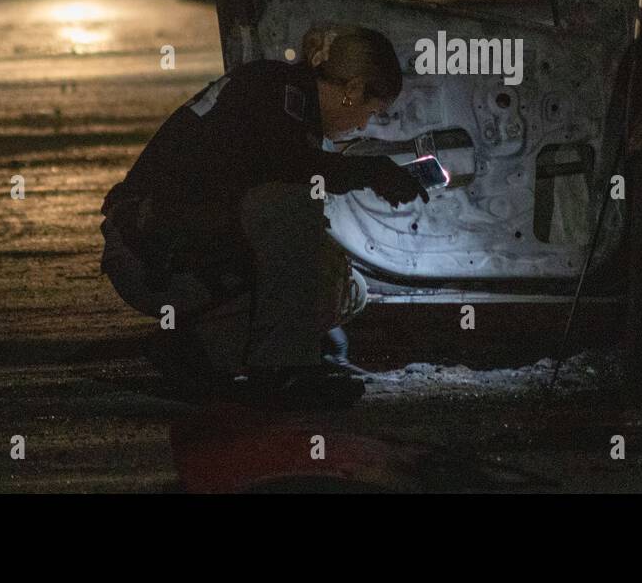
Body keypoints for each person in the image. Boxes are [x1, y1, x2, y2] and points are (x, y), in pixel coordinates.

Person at [100, 25, 428, 409]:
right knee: (293, 210)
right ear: (352, 90)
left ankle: (202, 350)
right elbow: (292, 173)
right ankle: (282, 373)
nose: (362, 125)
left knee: (343, 288)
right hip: (150, 256)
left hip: (180, 252)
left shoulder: (283, 94)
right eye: (370, 112)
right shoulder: (273, 93)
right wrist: (371, 172)